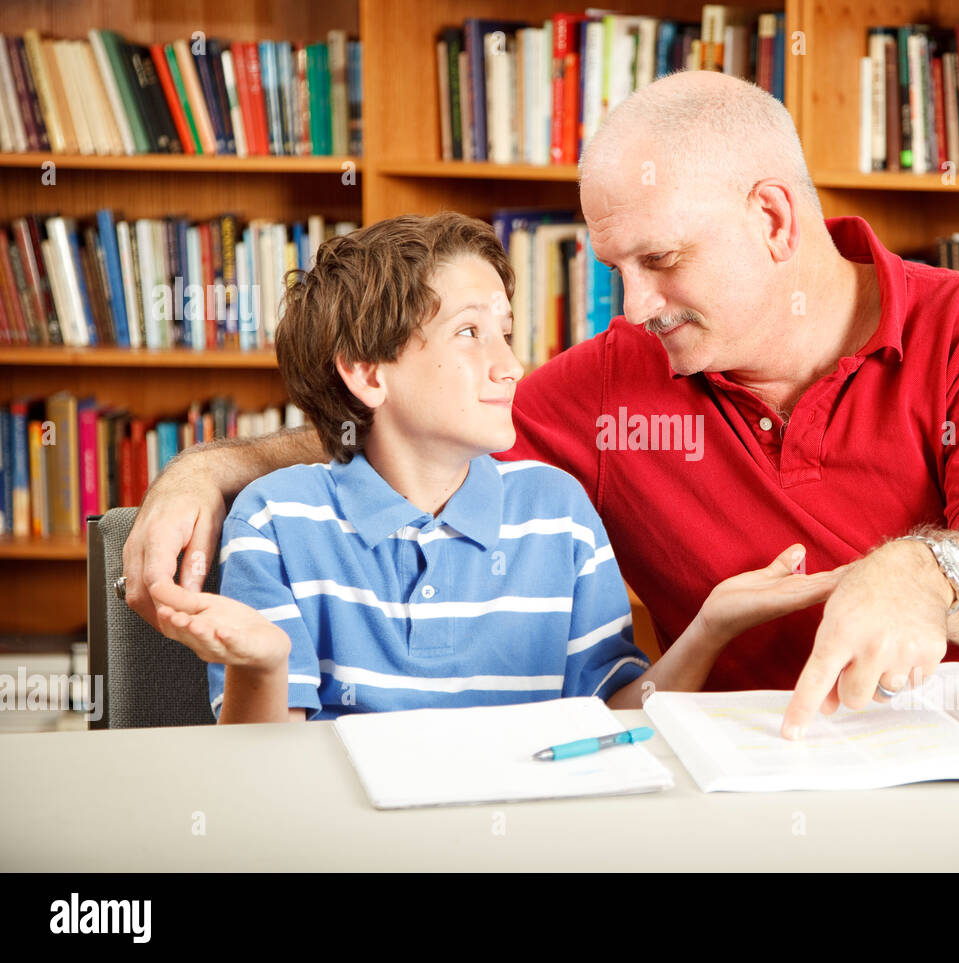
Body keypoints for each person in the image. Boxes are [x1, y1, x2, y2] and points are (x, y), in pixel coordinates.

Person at [126, 70, 959, 740]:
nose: (632, 308)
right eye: (615, 268)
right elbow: (414, 426)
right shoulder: (614, 379)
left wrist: (929, 574)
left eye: (662, 260)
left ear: (771, 218)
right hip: (767, 767)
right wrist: (212, 465)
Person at [146, 212, 840, 722]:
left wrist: (709, 627)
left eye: (506, 332)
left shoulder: (557, 512)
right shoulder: (275, 520)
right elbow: (265, 779)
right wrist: (262, 664)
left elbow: (617, 716)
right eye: (470, 332)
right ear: (366, 373)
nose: (511, 366)